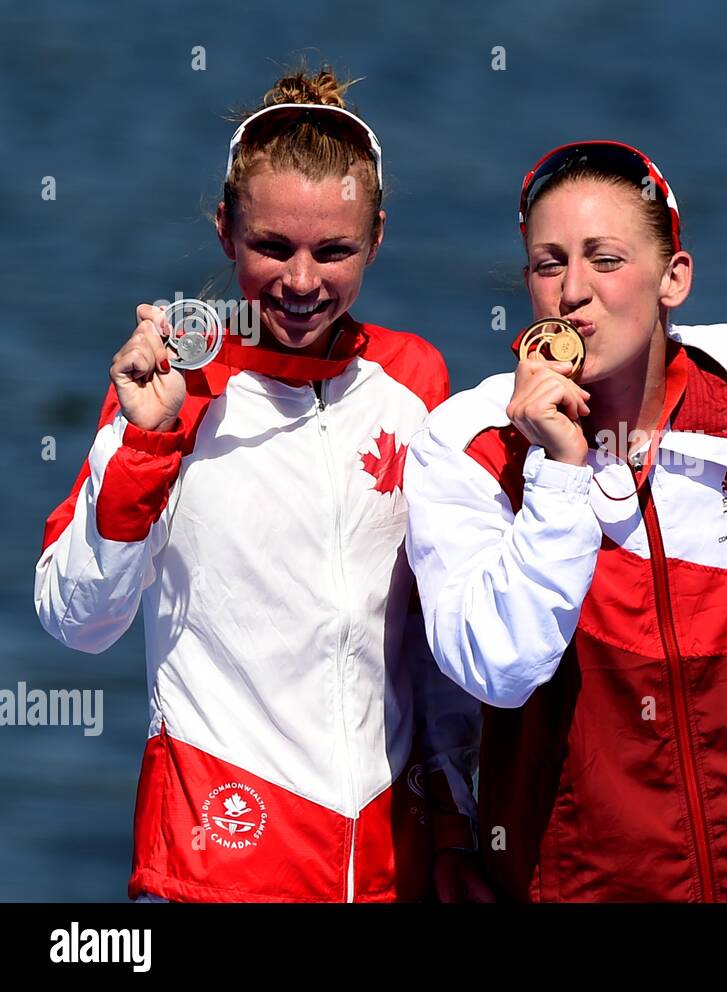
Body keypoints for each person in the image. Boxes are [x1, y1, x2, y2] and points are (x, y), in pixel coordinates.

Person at [34, 64, 476, 902]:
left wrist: (454, 827)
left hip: (391, 870)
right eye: (272, 246)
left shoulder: (416, 380)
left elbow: (431, 642)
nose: (302, 283)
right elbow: (75, 620)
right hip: (215, 868)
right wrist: (147, 442)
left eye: (334, 250)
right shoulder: (170, 389)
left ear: (377, 237)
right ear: (224, 231)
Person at [404, 140, 727, 901]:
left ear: (674, 278)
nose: (573, 291)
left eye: (605, 259)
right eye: (547, 263)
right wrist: (560, 473)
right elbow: (496, 668)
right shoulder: (464, 445)